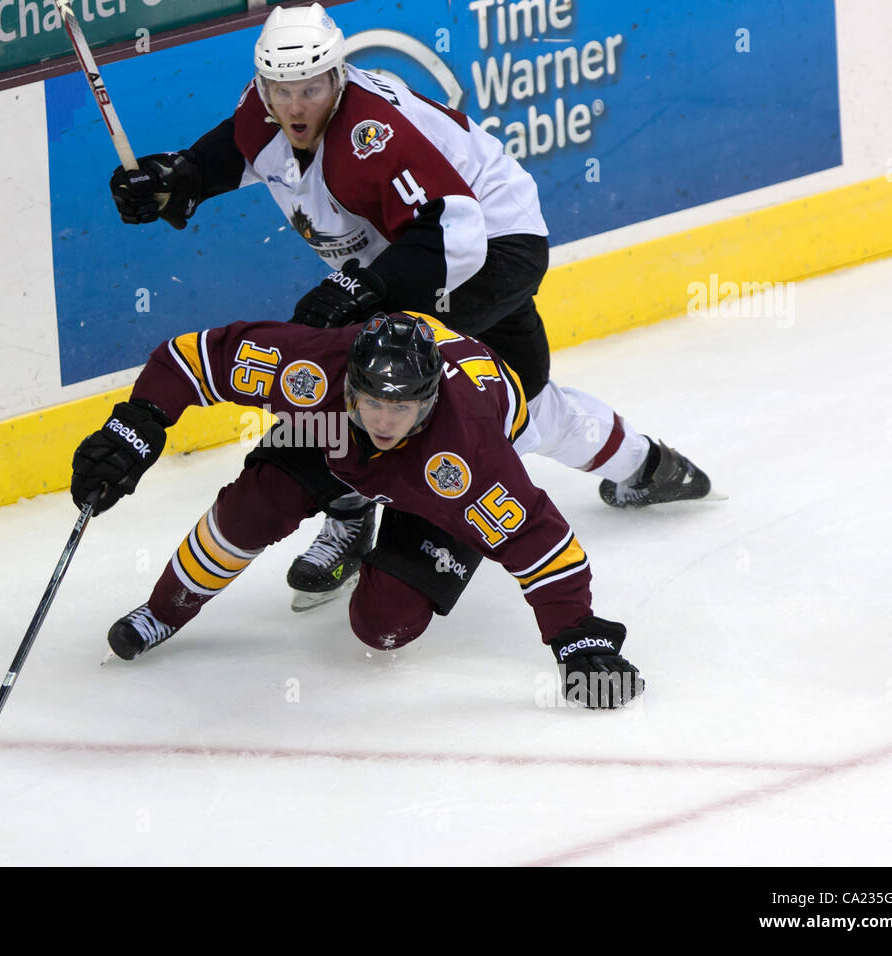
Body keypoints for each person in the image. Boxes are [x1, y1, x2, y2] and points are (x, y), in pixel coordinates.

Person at [107, 2, 710, 611]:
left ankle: (347, 512)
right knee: (519, 398)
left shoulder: (370, 135)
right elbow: (243, 146)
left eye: (310, 89)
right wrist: (176, 177)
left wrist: (360, 289)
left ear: (338, 77)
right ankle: (647, 463)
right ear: (263, 85)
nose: (294, 106)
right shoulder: (275, 106)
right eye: (280, 90)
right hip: (419, 251)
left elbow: (453, 229)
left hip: (489, 248)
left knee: (366, 373)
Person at [70, 311, 644, 709]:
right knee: (251, 510)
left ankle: (362, 510)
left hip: (430, 485)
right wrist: (136, 427)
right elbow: (190, 359)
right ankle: (166, 610)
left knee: (383, 628)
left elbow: (539, 543)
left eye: (403, 408)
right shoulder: (314, 371)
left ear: (431, 399)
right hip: (330, 438)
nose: (384, 421)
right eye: (371, 402)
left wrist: (579, 639)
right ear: (350, 388)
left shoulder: (466, 453)